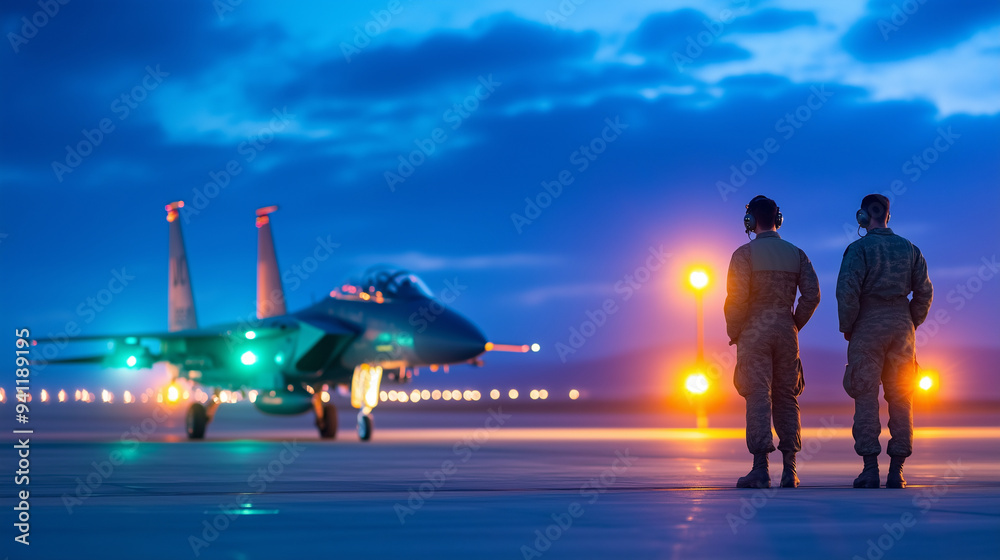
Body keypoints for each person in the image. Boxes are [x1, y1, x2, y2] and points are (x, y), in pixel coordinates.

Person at [837, 194, 933, 488]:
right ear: (888, 216)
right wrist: (909, 323)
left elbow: (847, 292)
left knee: (865, 396)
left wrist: (849, 327)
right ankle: (898, 470)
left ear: (862, 217)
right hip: (901, 327)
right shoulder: (910, 249)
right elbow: (924, 293)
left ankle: (869, 469)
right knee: (902, 396)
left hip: (867, 325)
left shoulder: (858, 249)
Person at [725, 195, 820, 488]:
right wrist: (793, 323)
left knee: (758, 395)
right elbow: (812, 295)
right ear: (778, 220)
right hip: (785, 331)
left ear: (750, 222)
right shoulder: (797, 254)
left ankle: (760, 467)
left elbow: (736, 299)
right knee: (786, 396)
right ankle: (790, 469)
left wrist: (736, 331)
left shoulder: (744, 255)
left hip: (755, 331)